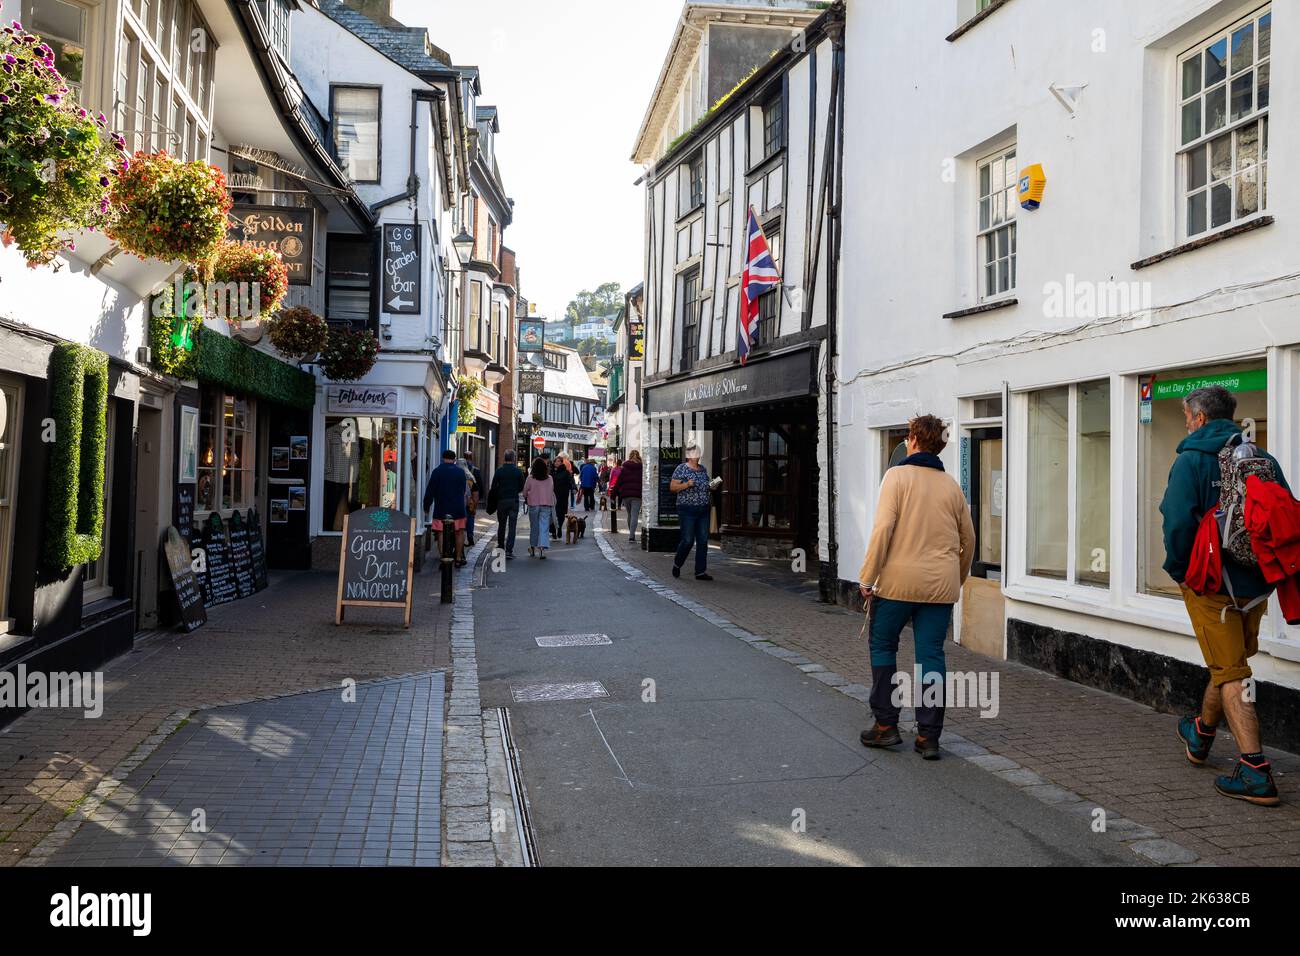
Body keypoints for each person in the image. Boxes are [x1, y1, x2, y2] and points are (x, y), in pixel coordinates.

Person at [1161, 386, 1289, 806]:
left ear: (1198, 418)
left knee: (1232, 672)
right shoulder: (1261, 457)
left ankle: (1255, 771)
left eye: (1186, 416)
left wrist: (1183, 574)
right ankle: (1200, 734)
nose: (1185, 422)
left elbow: (1176, 522)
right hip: (1257, 584)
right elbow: (1282, 513)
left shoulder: (1191, 460)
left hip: (1212, 585)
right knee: (1230, 662)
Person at [857, 414, 974, 760]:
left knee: (882, 645)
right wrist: (957, 578)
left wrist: (867, 577)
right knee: (931, 657)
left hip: (896, 584)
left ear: (913, 440)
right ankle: (929, 737)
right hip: (940, 587)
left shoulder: (896, 476)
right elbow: (969, 539)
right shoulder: (951, 485)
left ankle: (886, 726)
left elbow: (883, 530)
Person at [668, 444, 718, 581]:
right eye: (696, 453)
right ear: (689, 455)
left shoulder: (703, 470)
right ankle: (677, 564)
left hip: (703, 509)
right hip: (687, 509)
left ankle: (700, 572)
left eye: (699, 452)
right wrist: (686, 485)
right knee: (688, 540)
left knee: (703, 541)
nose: (698, 455)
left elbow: (705, 487)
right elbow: (672, 487)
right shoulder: (681, 469)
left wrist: (712, 486)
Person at [423, 449, 470, 568]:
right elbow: (464, 490)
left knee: (441, 533)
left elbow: (430, 490)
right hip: (458, 508)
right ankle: (458, 559)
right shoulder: (460, 472)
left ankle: (444, 559)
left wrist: (426, 505)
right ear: (454, 459)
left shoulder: (437, 471)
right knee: (459, 532)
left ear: (443, 458)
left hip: (441, 508)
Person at [488, 450, 525, 559]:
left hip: (502, 501)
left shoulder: (499, 471)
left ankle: (501, 546)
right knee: (512, 526)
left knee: (502, 525)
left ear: (505, 458)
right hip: (513, 501)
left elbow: (494, 486)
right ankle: (509, 550)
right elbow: (521, 487)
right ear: (513, 458)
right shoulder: (518, 471)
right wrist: (514, 491)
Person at [524, 456, 556, 559]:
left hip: (533, 505)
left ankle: (532, 548)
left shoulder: (530, 478)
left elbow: (524, 492)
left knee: (534, 527)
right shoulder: (550, 478)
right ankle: (542, 549)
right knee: (544, 528)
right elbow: (551, 490)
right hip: (546, 505)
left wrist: (528, 495)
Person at [619, 451, 643, 541]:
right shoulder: (641, 468)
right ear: (638, 457)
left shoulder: (625, 467)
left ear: (629, 456)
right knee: (634, 515)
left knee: (629, 514)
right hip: (637, 495)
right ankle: (631, 535)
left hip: (626, 495)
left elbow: (619, 481)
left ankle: (631, 533)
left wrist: (613, 495)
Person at [462, 450, 484, 547]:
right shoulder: (476, 470)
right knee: (470, 517)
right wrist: (479, 498)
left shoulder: (460, 469)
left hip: (462, 498)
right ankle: (470, 537)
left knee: (462, 517)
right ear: (472, 458)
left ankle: (461, 537)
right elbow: (480, 486)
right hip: (472, 499)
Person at [551, 454, 576, 539]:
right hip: (552, 496)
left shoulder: (566, 472)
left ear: (562, 463)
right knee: (552, 514)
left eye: (558, 461)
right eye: (555, 461)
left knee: (561, 514)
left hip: (563, 496)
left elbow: (571, 481)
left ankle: (559, 527)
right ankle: (553, 530)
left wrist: (573, 488)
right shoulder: (551, 472)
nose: (556, 463)